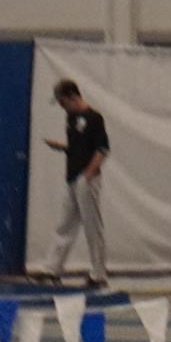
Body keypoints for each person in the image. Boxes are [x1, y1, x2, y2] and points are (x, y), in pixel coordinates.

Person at [39, 79, 110, 287]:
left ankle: (99, 274)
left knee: (92, 227)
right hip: (71, 177)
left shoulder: (94, 118)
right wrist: (63, 147)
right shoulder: (71, 118)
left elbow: (102, 149)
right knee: (65, 225)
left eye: (63, 102)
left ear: (73, 96)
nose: (62, 107)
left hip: (87, 178)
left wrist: (88, 174)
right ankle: (52, 269)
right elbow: (78, 147)